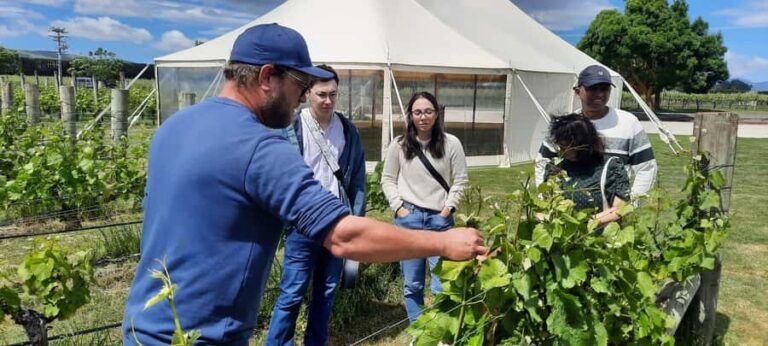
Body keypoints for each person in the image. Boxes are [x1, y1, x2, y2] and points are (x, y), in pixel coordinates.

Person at [121, 24, 486, 345]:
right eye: (301, 83)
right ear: (267, 77)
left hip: (144, 327)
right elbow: (345, 236)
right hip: (203, 338)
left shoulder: (172, 128)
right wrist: (442, 241)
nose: (304, 95)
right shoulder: (259, 146)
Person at [266, 65, 366, 346]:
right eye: (321, 94)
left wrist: (355, 219)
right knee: (292, 293)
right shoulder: (290, 128)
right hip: (301, 225)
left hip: (336, 224)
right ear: (307, 92)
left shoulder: (347, 129)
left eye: (333, 94)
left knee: (326, 293)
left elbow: (357, 179)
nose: (328, 101)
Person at [381, 91, 470, 324]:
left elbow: (460, 180)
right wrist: (399, 208)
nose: (423, 117)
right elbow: (388, 179)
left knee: (442, 283)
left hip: (439, 220)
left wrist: (447, 209)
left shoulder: (452, 144)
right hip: (409, 219)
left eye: (428, 111)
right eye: (418, 112)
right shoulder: (399, 145)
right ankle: (419, 330)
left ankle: (441, 331)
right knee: (413, 283)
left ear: (437, 113)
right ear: (410, 115)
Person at [535, 65, 657, 198]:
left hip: (614, 212)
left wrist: (628, 205)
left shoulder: (628, 123)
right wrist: (546, 200)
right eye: (592, 88)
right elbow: (543, 163)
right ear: (577, 91)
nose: (600, 94)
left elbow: (646, 168)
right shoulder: (566, 126)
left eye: (605, 89)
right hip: (569, 213)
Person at [542, 113, 630, 225]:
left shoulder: (609, 167)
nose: (561, 150)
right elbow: (547, 205)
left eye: (567, 146)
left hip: (596, 237)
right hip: (561, 237)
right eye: (559, 144)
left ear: (583, 144)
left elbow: (620, 209)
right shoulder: (554, 168)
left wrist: (586, 222)